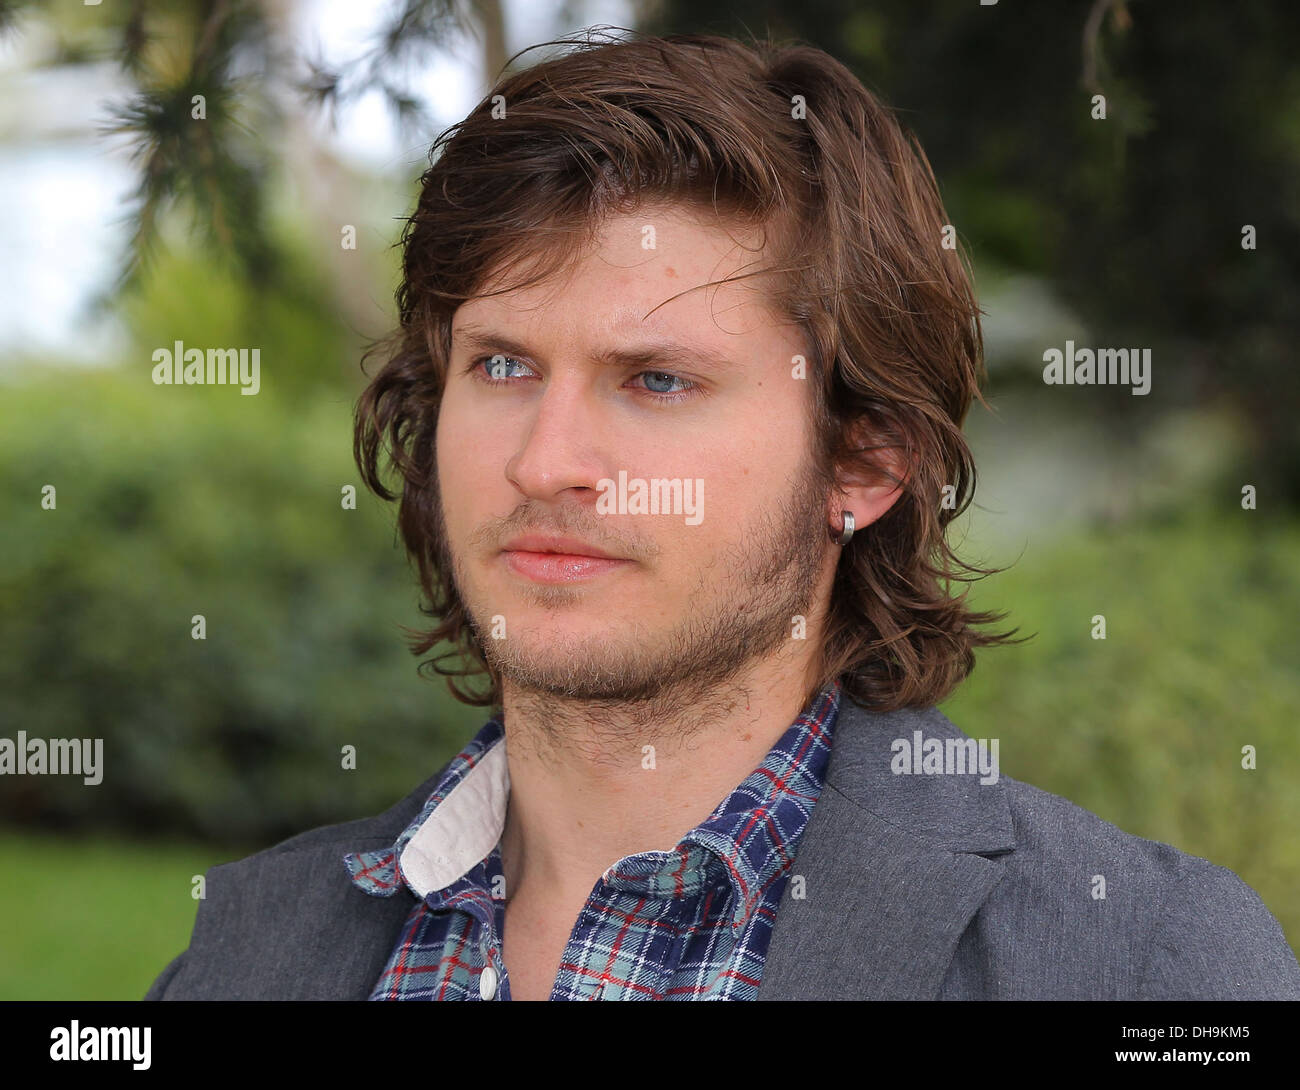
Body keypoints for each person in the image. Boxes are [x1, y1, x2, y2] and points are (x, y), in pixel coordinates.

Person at [145, 30, 1300, 1001]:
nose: (547, 463)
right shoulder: (247, 953)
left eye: (656, 381)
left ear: (865, 460)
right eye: (501, 368)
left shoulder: (1142, 964)